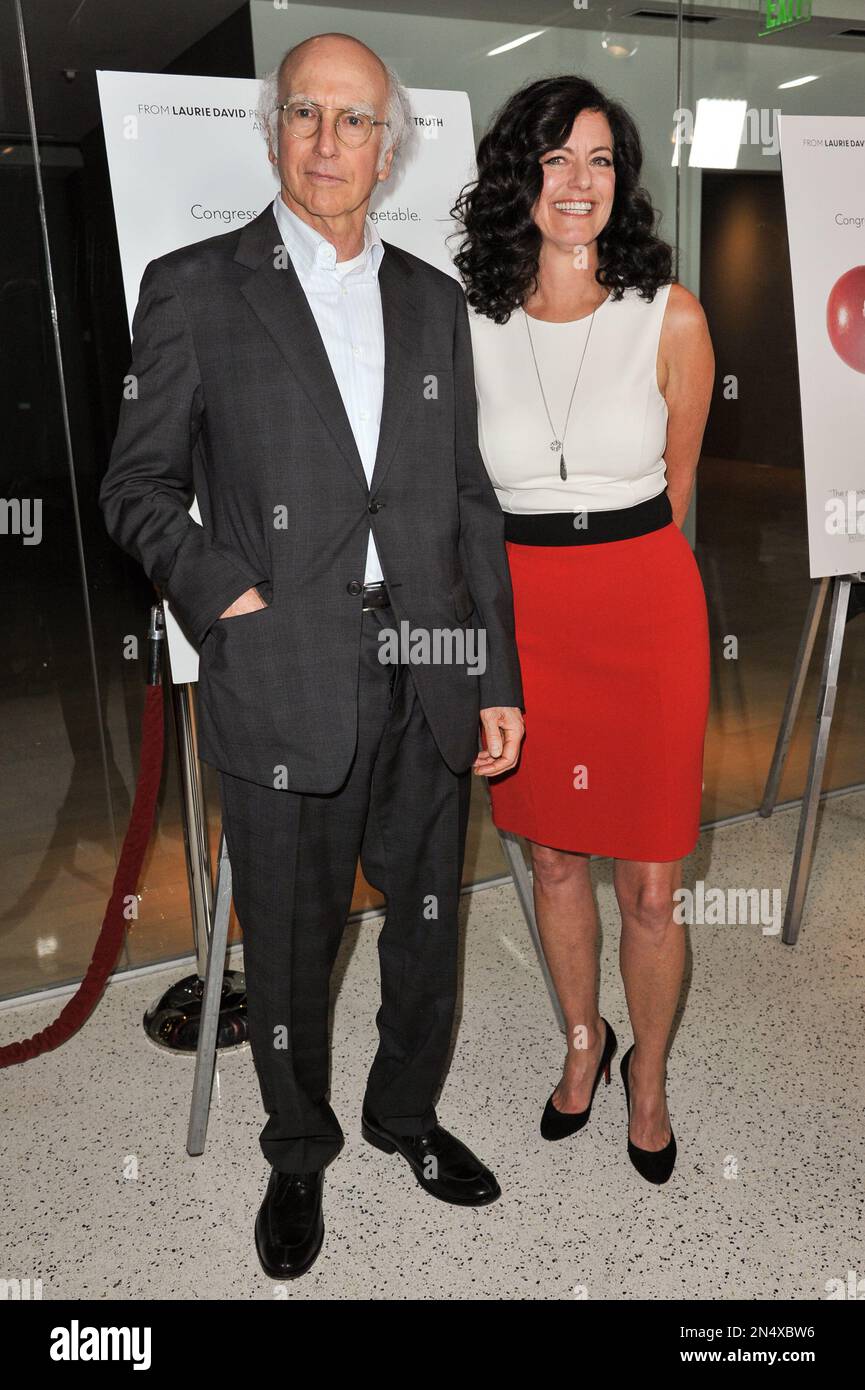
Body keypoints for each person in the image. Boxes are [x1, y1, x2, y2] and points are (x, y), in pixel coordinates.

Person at [99, 32, 524, 1278]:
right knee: (289, 936)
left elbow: (469, 505)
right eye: (308, 115)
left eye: (355, 122)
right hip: (281, 669)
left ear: (388, 149)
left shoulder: (433, 302)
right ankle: (298, 1150)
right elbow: (136, 486)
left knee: (428, 922)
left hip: (430, 661)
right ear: (273, 131)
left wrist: (493, 673)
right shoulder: (193, 287)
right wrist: (223, 593)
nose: (330, 142)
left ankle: (405, 1114)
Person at [454, 76, 713, 1185]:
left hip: (644, 612)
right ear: (520, 175)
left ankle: (644, 1077)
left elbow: (680, 488)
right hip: (524, 615)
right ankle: (581, 1042)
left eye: (600, 160)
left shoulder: (673, 313)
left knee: (649, 885)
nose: (579, 182)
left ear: (625, 183)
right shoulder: (468, 321)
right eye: (556, 158)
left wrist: (632, 588)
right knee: (553, 860)